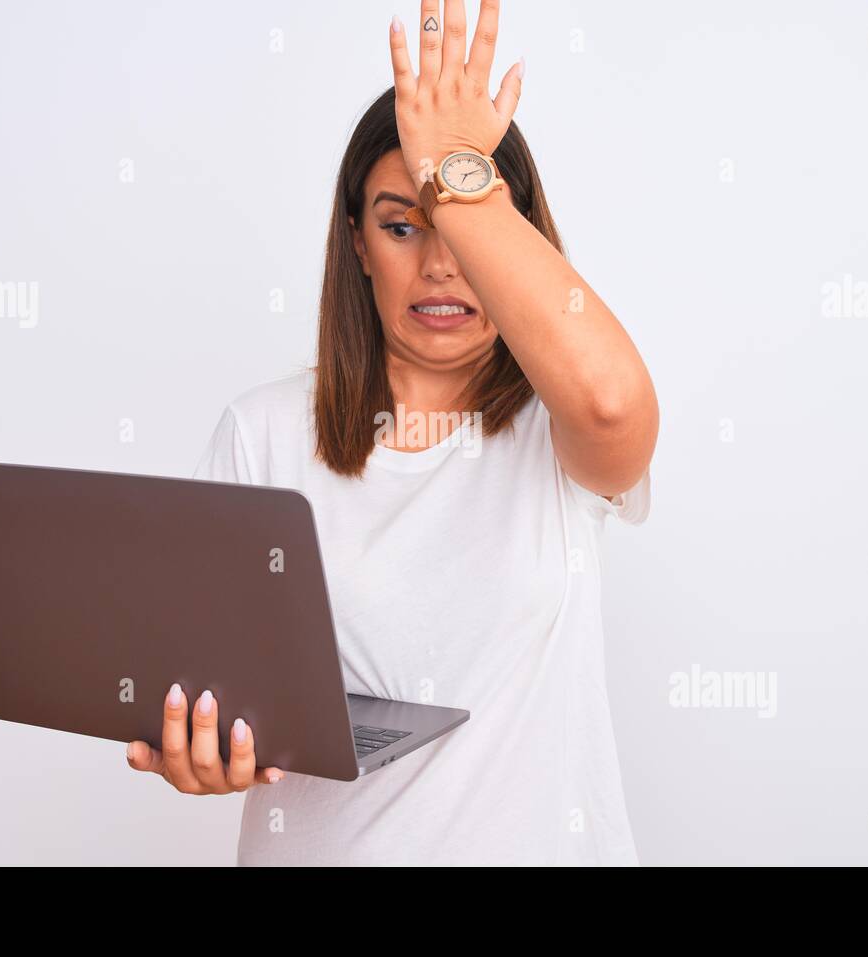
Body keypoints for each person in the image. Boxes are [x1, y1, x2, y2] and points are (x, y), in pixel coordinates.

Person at [127, 0, 659, 866]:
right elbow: (187, 679)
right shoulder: (262, 432)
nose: (442, 264)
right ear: (358, 244)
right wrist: (196, 739)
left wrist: (457, 170)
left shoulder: (554, 435)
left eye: (468, 229)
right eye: (403, 224)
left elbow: (610, 402)